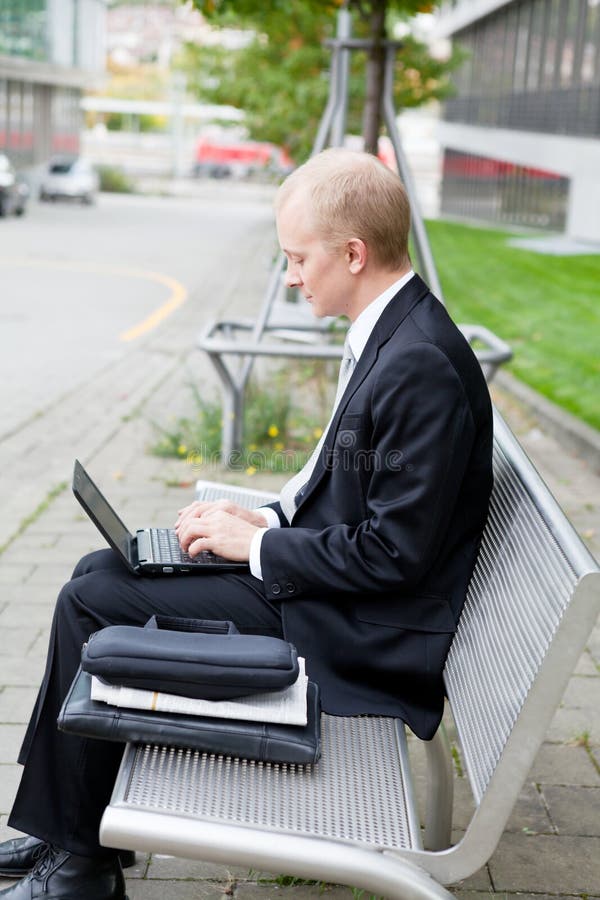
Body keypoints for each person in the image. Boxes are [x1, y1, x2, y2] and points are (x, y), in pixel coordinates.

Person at [0, 148, 493, 900]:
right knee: (99, 573)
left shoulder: (416, 362)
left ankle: (80, 865)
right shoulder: (394, 332)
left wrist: (256, 546)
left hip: (364, 630)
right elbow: (352, 482)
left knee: (91, 600)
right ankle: (66, 830)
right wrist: (260, 514)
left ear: (353, 254)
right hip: (338, 592)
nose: (289, 276)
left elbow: (395, 554)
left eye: (298, 258)